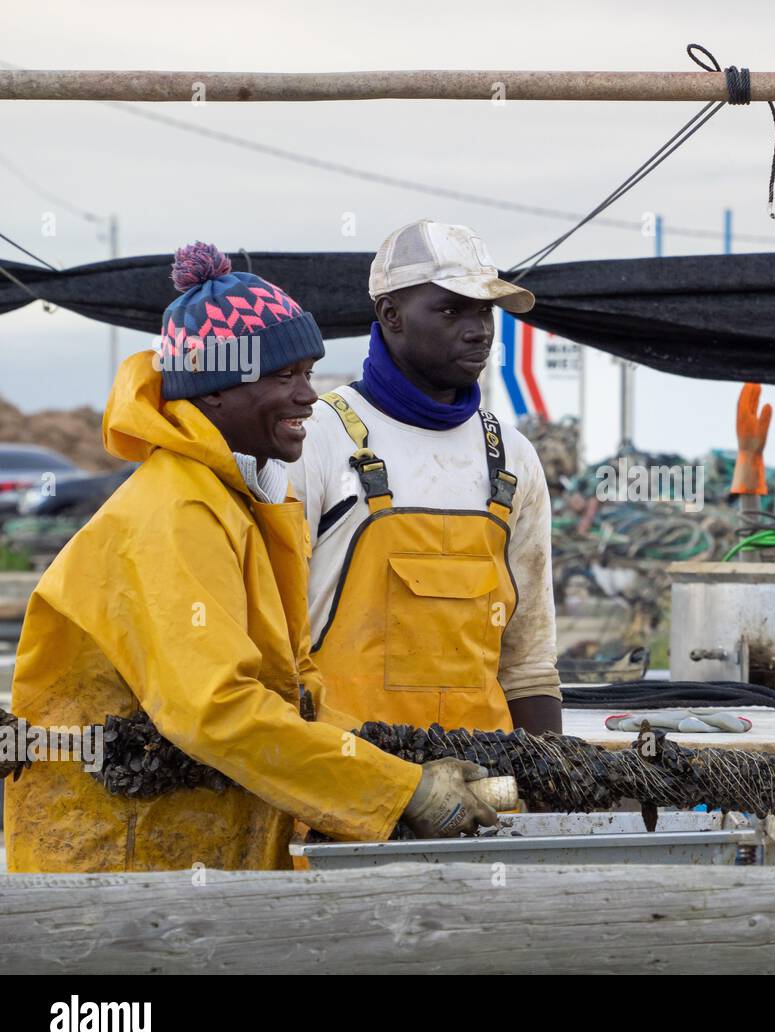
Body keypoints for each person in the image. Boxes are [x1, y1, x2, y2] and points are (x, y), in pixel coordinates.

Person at [2, 243, 495, 873]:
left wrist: (398, 768)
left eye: (309, 374)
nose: (308, 399)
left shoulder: (240, 501)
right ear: (212, 393)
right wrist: (399, 791)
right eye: (284, 377)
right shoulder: (175, 513)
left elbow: (290, 694)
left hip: (188, 860)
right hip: (126, 871)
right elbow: (217, 708)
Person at [288, 221, 562, 735]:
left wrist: (550, 789)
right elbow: (272, 641)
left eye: (484, 309)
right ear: (391, 315)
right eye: (451, 309)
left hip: (483, 790)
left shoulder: (511, 458)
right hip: (345, 787)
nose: (478, 328)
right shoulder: (318, 439)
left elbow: (528, 661)